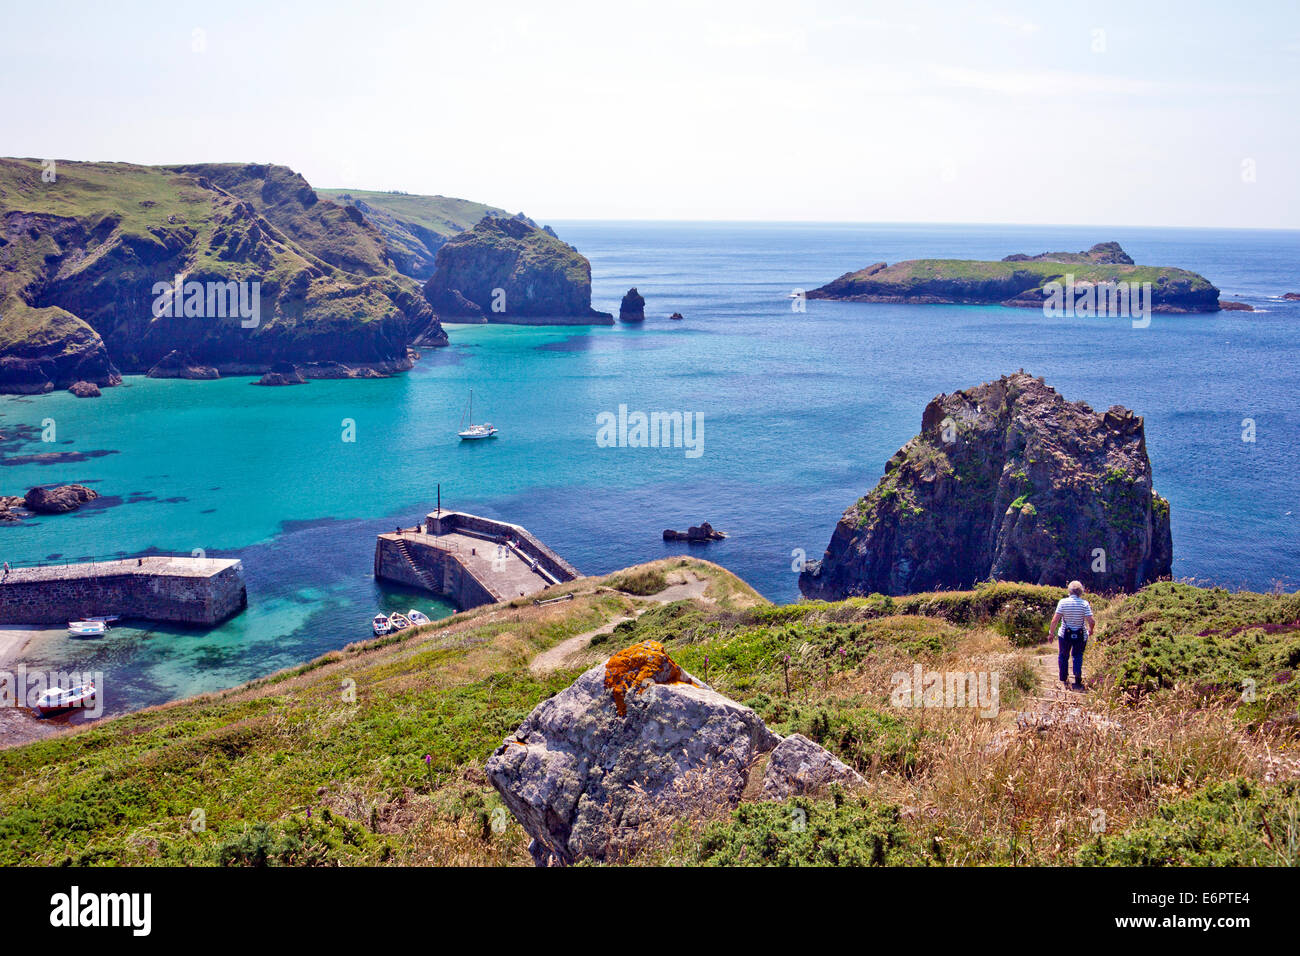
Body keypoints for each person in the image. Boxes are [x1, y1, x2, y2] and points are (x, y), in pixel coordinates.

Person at [1048, 580, 1094, 690]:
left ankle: (1063, 678)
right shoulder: (1084, 604)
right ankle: (1078, 677)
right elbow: (1091, 621)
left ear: (1069, 591)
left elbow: (1055, 620)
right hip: (1081, 635)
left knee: (1063, 656)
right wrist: (1091, 630)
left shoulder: (1063, 602)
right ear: (1080, 592)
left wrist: (1051, 633)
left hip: (1065, 634)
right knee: (1077, 655)